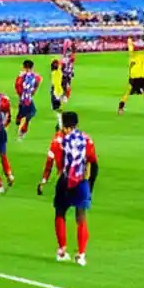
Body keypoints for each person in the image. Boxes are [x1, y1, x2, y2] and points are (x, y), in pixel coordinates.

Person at [38, 111, 97, 266]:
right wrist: (89, 186)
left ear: (64, 125)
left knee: (60, 212)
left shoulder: (58, 140)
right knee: (81, 217)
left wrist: (44, 180)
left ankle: (62, 250)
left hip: (65, 180)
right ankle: (81, 255)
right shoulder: (87, 139)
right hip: (82, 182)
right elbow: (94, 164)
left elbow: (50, 161)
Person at [117, 37, 144, 116]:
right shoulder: (135, 51)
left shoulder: (139, 52)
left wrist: (143, 45)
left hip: (138, 75)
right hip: (137, 75)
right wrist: (142, 45)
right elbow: (133, 46)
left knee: (141, 91)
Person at [14, 59, 42, 140]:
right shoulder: (35, 76)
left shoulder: (20, 76)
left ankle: (19, 119)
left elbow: (17, 86)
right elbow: (38, 82)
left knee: (24, 112)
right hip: (28, 98)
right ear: (32, 67)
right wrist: (33, 91)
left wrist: (20, 95)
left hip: (22, 98)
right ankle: (21, 132)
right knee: (31, 113)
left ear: (23, 66)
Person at [49, 59, 67, 130]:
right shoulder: (59, 72)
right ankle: (60, 123)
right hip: (58, 91)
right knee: (57, 108)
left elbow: (56, 85)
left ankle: (60, 124)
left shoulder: (54, 73)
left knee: (57, 109)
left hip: (56, 92)